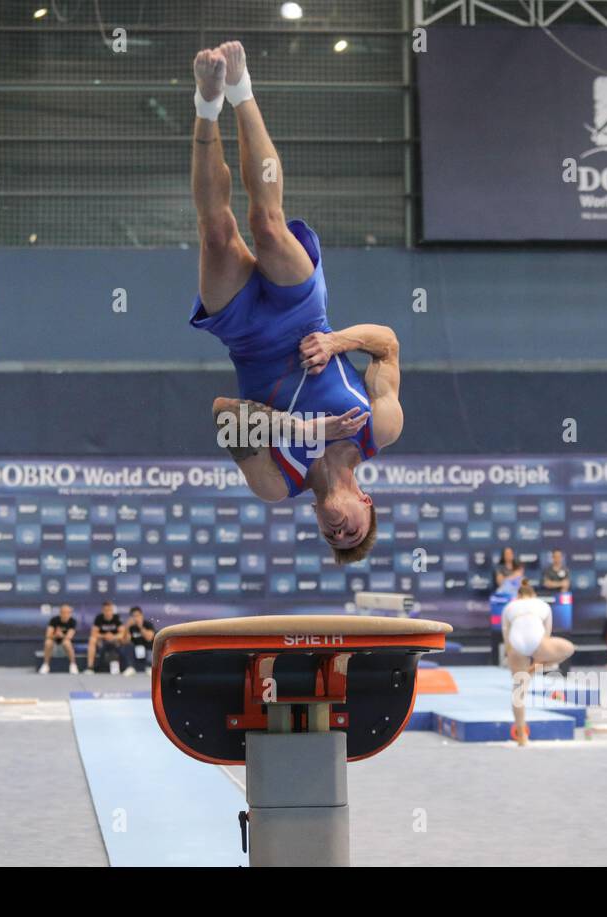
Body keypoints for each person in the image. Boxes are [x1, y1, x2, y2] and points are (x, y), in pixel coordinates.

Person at [191, 41, 403, 565]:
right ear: (365, 503)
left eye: (333, 539)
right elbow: (388, 347)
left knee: (217, 233)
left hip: (244, 335)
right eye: (352, 533)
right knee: (266, 224)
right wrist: (337, 341)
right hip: (303, 315)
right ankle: (241, 91)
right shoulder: (381, 430)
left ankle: (206, 105)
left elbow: (224, 416)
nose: (339, 531)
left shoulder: (275, 482)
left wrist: (304, 430)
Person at [502, 583, 575, 747]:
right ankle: (535, 668)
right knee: (568, 649)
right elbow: (546, 633)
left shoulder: (509, 606)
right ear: (533, 594)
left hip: (516, 643)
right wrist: (540, 660)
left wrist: (511, 655)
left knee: (518, 692)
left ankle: (521, 736)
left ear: (518, 596)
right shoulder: (542, 605)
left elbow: (506, 635)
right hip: (538, 641)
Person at [87, 600, 127, 674]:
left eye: (110, 610)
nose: (108, 612)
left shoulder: (117, 618)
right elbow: (93, 633)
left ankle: (126, 667)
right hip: (102, 641)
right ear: (103, 610)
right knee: (92, 640)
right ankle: (90, 667)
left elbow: (122, 633)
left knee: (123, 639)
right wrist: (104, 636)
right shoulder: (99, 618)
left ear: (112, 610)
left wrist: (113, 636)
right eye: (106, 610)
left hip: (115, 641)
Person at [40, 603, 78, 675]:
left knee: (66, 642)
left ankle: (73, 665)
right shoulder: (54, 620)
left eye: (68, 612)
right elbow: (48, 635)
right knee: (48, 642)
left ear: (70, 613)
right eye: (63, 612)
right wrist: (55, 635)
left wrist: (61, 635)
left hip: (66, 645)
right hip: (54, 643)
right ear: (60, 613)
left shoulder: (73, 621)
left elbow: (69, 636)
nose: (65, 614)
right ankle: (46, 665)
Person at [124, 606, 156, 676]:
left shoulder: (148, 624)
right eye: (134, 616)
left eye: (138, 615)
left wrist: (140, 627)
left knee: (150, 647)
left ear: (141, 615)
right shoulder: (131, 627)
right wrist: (127, 627)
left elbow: (149, 638)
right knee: (128, 646)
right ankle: (131, 667)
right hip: (136, 650)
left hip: (147, 649)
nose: (136, 618)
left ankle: (149, 667)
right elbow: (126, 641)